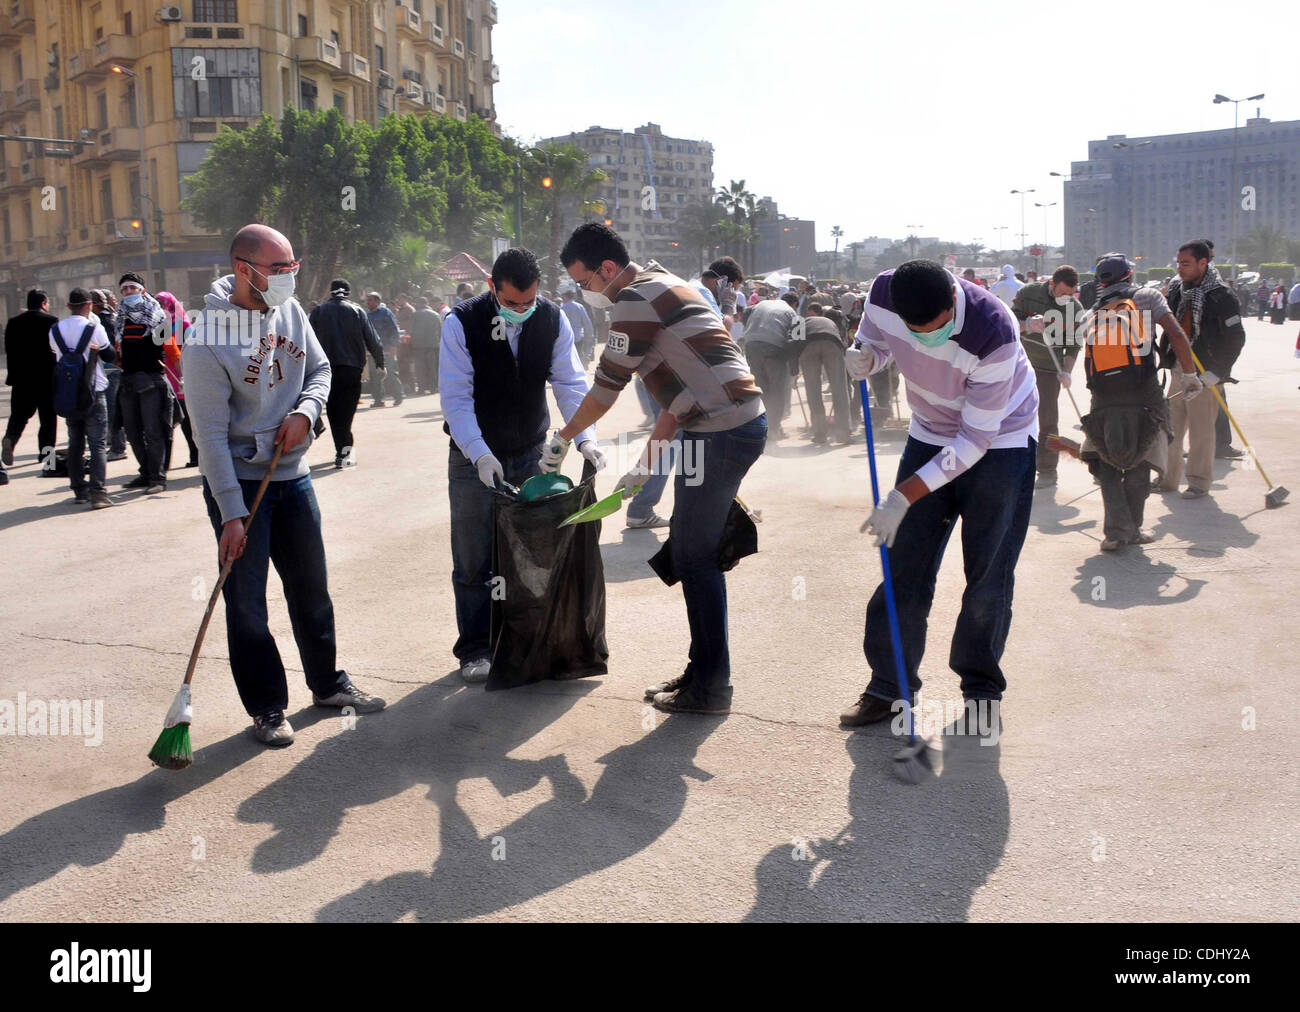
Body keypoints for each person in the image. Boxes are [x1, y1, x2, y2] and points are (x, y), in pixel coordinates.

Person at [183, 223, 385, 746]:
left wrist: (306, 411)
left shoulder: (291, 312)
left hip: (292, 478)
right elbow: (207, 436)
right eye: (279, 269)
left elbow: (320, 370)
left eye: (293, 266)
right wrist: (230, 512)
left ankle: (328, 683)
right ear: (242, 268)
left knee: (311, 590)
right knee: (247, 604)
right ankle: (268, 707)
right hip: (242, 487)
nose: (289, 277)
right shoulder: (207, 338)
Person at [557, 223, 765, 716]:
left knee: (695, 559)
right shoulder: (667, 285)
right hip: (720, 427)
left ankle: (711, 688)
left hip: (722, 433)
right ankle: (701, 670)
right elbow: (676, 402)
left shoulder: (633, 300)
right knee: (693, 550)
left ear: (607, 269)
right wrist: (643, 468)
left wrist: (562, 439)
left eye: (585, 282)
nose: (586, 293)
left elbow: (606, 387)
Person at [840, 259, 1039, 731]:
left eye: (936, 328)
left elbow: (973, 443)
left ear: (955, 298)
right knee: (905, 564)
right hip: (929, 429)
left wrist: (903, 495)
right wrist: (867, 358)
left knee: (988, 571)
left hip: (1000, 441)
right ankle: (890, 687)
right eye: (915, 329)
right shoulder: (884, 294)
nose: (926, 336)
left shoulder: (995, 332)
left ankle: (981, 689)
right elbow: (880, 345)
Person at [439, 247, 603, 685]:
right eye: (512, 304)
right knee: (474, 557)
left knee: (531, 552)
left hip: (529, 450)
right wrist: (479, 453)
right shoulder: (461, 323)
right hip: (474, 455)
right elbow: (456, 400)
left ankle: (528, 641)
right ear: (492, 288)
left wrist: (583, 438)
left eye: (529, 302)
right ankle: (474, 647)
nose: (522, 311)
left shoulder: (552, 319)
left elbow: (569, 382)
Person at [1069, 253, 1202, 550]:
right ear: (1129, 274)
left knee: (1107, 459)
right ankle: (1132, 529)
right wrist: (1190, 375)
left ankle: (1115, 532)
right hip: (1143, 390)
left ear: (1101, 282)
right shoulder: (1148, 296)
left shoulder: (1092, 311)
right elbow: (1177, 334)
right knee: (1144, 452)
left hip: (1103, 394)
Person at [1160, 239, 1246, 499]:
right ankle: (1167, 479)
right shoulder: (1176, 289)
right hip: (1178, 368)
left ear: (1203, 262)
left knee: (1201, 431)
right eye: (1178, 263)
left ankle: (1198, 482)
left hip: (1204, 373)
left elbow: (1235, 338)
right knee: (1171, 429)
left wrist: (1216, 373)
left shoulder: (1221, 295)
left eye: (1185, 263)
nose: (1180, 268)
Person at [1011, 265, 1084, 489]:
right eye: (1062, 293)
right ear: (1052, 285)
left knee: (1048, 420)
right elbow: (1009, 321)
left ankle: (1048, 470)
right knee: (1016, 417)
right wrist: (1027, 325)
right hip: (1020, 364)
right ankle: (1017, 465)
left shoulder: (1074, 308)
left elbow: (1072, 346)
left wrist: (1066, 372)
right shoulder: (1028, 293)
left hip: (1050, 369)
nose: (1066, 298)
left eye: (1070, 294)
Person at [50, 289, 117, 509]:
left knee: (75, 443)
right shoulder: (94, 328)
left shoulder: (55, 330)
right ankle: (98, 493)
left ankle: (79, 490)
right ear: (89, 305)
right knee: (97, 444)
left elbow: (55, 356)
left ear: (69, 306)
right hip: (94, 392)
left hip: (68, 395)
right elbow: (109, 356)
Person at [308, 278, 385, 468]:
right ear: (348, 293)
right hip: (352, 370)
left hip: (326, 370)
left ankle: (342, 450)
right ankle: (344, 451)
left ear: (330, 292)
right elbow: (372, 339)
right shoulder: (357, 311)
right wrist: (380, 363)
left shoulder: (318, 312)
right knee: (347, 413)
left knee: (335, 413)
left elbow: (306, 340)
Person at [115, 272, 172, 495]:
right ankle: (145, 472)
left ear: (142, 291)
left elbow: (168, 346)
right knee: (132, 432)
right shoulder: (120, 318)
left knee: (153, 431)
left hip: (151, 381)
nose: (128, 293)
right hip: (128, 381)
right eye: (124, 289)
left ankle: (158, 478)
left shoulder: (159, 316)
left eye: (132, 288)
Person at [2, 288, 59, 471]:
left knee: (18, 416)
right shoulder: (51, 321)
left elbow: (9, 350)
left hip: (21, 380)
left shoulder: (12, 323)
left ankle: (10, 439)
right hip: (46, 380)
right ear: (44, 303)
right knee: (48, 421)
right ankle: (48, 461)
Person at [742, 291, 799, 443]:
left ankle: (762, 428)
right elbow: (797, 341)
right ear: (795, 304)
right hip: (775, 350)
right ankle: (773, 430)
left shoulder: (762, 304)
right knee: (778, 391)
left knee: (762, 390)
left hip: (751, 346)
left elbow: (746, 312)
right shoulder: (793, 313)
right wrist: (795, 367)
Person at [155, 290, 199, 470]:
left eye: (162, 305)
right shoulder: (159, 326)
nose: (159, 308)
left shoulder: (185, 325)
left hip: (182, 377)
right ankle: (163, 463)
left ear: (170, 306)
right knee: (166, 421)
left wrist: (186, 375)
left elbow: (193, 352)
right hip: (165, 377)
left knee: (188, 420)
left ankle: (195, 455)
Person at [800, 302, 851, 444]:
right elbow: (843, 340)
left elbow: (793, 342)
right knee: (839, 389)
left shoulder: (800, 320)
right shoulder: (829, 321)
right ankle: (843, 433)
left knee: (813, 390)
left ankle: (819, 433)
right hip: (832, 344)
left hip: (808, 346)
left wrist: (793, 369)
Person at [90, 289, 128, 462]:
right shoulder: (112, 318)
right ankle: (116, 441)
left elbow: (110, 350)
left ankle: (118, 447)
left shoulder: (104, 321)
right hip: (114, 368)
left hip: (110, 369)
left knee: (112, 408)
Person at [364, 291, 404, 407]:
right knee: (375, 376)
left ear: (378, 301)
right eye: (368, 300)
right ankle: (378, 400)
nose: (368, 302)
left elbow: (394, 330)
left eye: (370, 300)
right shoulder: (367, 315)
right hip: (373, 351)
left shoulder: (386, 313)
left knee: (390, 374)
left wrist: (393, 345)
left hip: (387, 349)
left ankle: (398, 396)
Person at [408, 296, 443, 395]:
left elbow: (410, 330)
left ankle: (421, 388)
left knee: (420, 368)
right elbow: (440, 331)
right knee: (432, 367)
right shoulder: (436, 314)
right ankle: (433, 388)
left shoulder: (415, 314)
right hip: (433, 346)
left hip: (419, 346)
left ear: (419, 304)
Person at [560, 290, 594, 366]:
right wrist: (590, 333)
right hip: (578, 335)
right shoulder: (579, 306)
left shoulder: (562, 308)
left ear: (566, 297)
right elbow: (586, 321)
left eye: (563, 297)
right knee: (578, 353)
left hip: (566, 337)